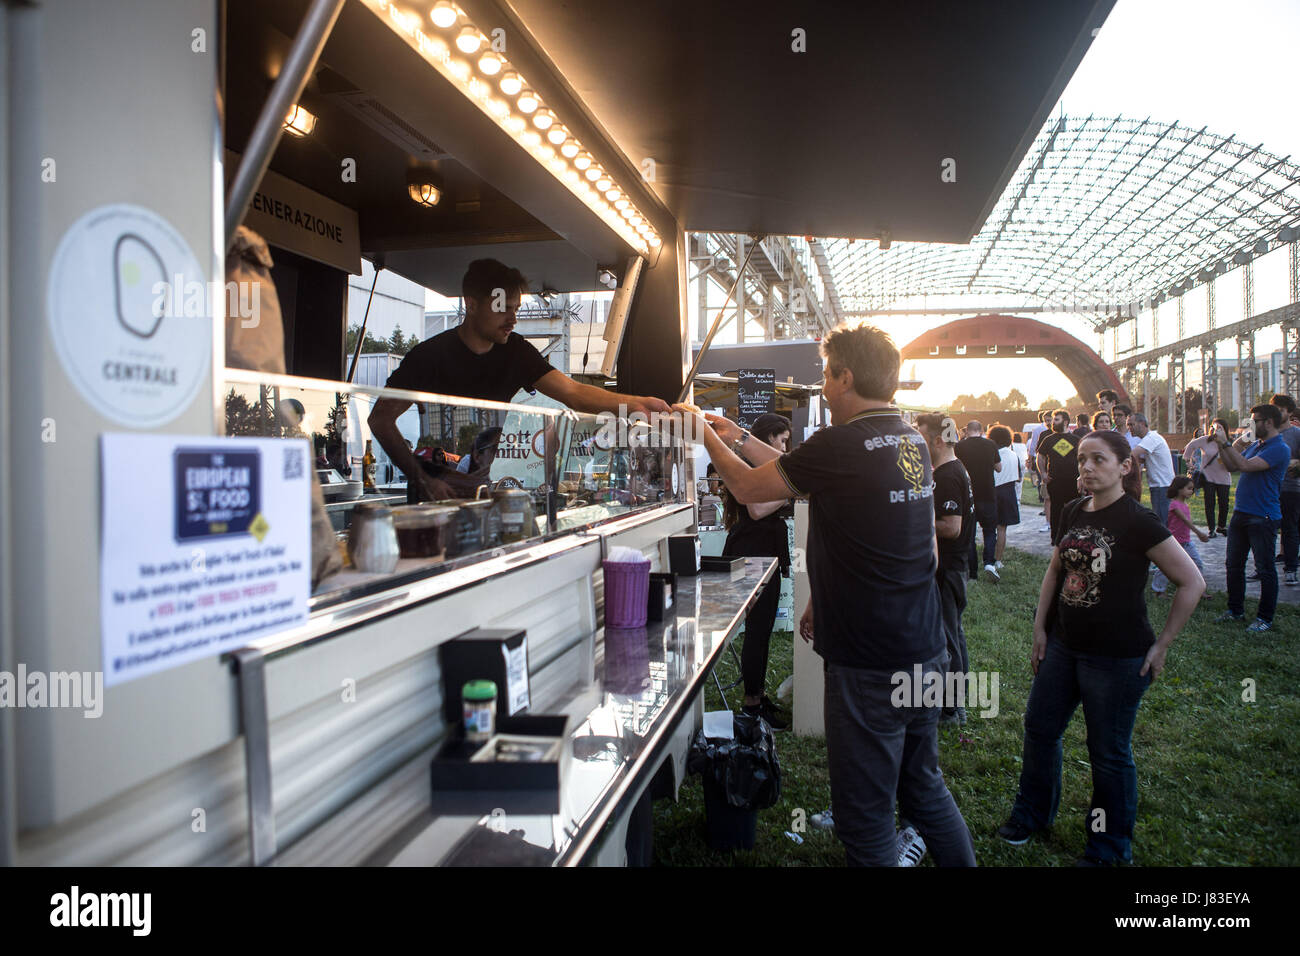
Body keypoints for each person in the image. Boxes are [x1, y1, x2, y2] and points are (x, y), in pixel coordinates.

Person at [675, 325, 975, 867]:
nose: (823, 384)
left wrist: (704, 434)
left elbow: (747, 489)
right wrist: (736, 432)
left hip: (870, 662)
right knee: (924, 789)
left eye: (825, 373)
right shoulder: (907, 438)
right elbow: (917, 545)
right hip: (924, 647)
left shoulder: (841, 443)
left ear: (845, 376)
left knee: (864, 824)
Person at [997, 429, 1204, 865]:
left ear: (1125, 467)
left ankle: (1108, 848)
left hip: (1118, 657)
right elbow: (1055, 571)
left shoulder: (1139, 520)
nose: (1087, 468)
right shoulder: (1073, 509)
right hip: (1064, 647)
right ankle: (1032, 815)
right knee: (1039, 728)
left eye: (1098, 460)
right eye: (1082, 461)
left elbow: (1192, 582)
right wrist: (1040, 630)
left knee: (1107, 753)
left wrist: (1162, 645)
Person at [368, 259, 669, 502]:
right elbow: (380, 420)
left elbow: (573, 393)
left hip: (479, 493)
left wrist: (640, 404)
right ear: (471, 305)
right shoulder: (427, 356)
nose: (512, 318)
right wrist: (423, 480)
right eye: (502, 307)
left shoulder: (516, 352)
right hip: (430, 499)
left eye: (515, 308)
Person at [719, 413, 795, 729]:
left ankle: (757, 695)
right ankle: (752, 704)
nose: (786, 446)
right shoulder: (754, 466)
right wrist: (792, 490)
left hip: (763, 553)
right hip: (752, 555)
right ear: (769, 438)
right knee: (757, 632)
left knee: (760, 632)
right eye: (782, 440)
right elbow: (757, 508)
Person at [916, 413, 974, 725]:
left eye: (922, 438)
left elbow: (951, 527)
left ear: (938, 440)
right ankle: (953, 702)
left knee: (947, 637)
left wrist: (914, 519)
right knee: (952, 633)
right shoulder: (951, 469)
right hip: (952, 568)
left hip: (949, 568)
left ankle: (952, 709)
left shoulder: (950, 474)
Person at [1214, 405, 1291, 632]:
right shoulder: (1257, 445)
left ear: (1268, 422)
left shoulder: (1280, 448)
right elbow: (1229, 465)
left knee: (1265, 568)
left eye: (1254, 420)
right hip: (1242, 513)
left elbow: (1244, 465)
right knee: (1233, 565)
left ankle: (1264, 618)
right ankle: (1235, 610)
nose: (1251, 424)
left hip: (1263, 516)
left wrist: (1227, 443)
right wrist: (1222, 444)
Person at [956, 420, 1002, 582]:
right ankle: (989, 563)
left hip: (968, 496)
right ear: (982, 431)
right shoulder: (991, 444)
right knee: (990, 530)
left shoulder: (960, 446)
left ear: (967, 431)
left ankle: (973, 573)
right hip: (988, 493)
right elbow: (999, 467)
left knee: (969, 534)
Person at [1152, 476, 1209, 598]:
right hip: (1175, 543)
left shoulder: (1185, 505)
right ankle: (1159, 590)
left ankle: (1200, 589)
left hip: (1186, 542)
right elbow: (1185, 521)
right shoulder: (1174, 505)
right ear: (1179, 489)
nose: (1191, 491)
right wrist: (1199, 533)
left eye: (1192, 489)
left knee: (1197, 563)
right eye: (1188, 488)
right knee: (1166, 566)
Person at [1269, 394, 1300, 585]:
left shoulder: (1296, 434)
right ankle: (1263, 568)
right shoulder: (1266, 432)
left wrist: (1293, 465)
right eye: (1274, 409)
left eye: (1280, 409)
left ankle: (1291, 569)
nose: (1276, 413)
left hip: (1290, 489)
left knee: (1290, 530)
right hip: (1268, 489)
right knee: (1265, 529)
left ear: (1289, 412)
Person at [1183, 420, 1232, 536]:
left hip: (1224, 477)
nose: (1216, 430)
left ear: (1224, 430)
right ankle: (1211, 529)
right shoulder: (1205, 440)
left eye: (1219, 428)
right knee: (1209, 503)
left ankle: (1221, 526)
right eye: (1214, 427)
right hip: (1208, 477)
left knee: (1224, 503)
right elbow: (1190, 446)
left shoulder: (1228, 443)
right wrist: (1188, 461)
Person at [1037, 408, 1080, 540]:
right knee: (1056, 510)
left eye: (1056, 419)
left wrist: (1082, 477)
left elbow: (1083, 459)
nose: (1052, 422)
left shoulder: (1076, 440)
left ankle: (1073, 537)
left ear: (1065, 422)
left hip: (1073, 481)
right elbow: (1041, 456)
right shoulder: (1049, 439)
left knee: (1074, 510)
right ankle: (1056, 538)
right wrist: (1043, 473)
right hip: (1054, 481)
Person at [1129, 414, 1174, 528]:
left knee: (1161, 524)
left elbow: (1132, 454)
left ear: (1142, 424)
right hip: (1162, 486)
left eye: (1132, 424)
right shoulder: (1152, 438)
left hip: (1161, 486)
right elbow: (1141, 459)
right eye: (1128, 425)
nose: (1129, 428)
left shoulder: (1151, 438)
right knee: (1162, 522)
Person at [989, 424, 1021, 567]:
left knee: (990, 528)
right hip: (1009, 493)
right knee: (1002, 529)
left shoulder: (993, 454)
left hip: (993, 491)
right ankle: (998, 560)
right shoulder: (1014, 455)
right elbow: (1019, 477)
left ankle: (988, 557)